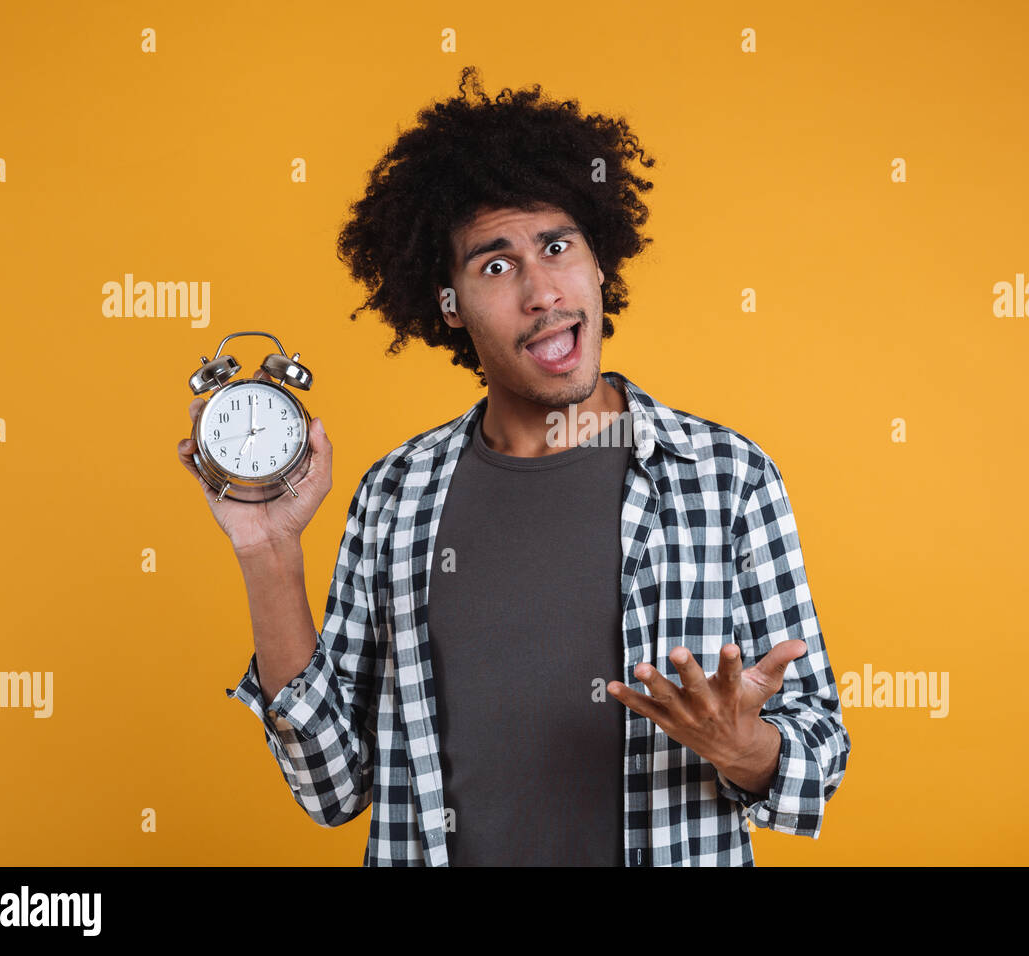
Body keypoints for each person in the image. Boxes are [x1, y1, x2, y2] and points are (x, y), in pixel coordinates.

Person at [176, 65, 850, 866]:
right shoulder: (397, 494)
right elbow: (332, 785)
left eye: (558, 247)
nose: (541, 290)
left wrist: (741, 744)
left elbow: (819, 754)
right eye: (496, 265)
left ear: (600, 264)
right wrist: (267, 549)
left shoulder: (725, 476)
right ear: (450, 305)